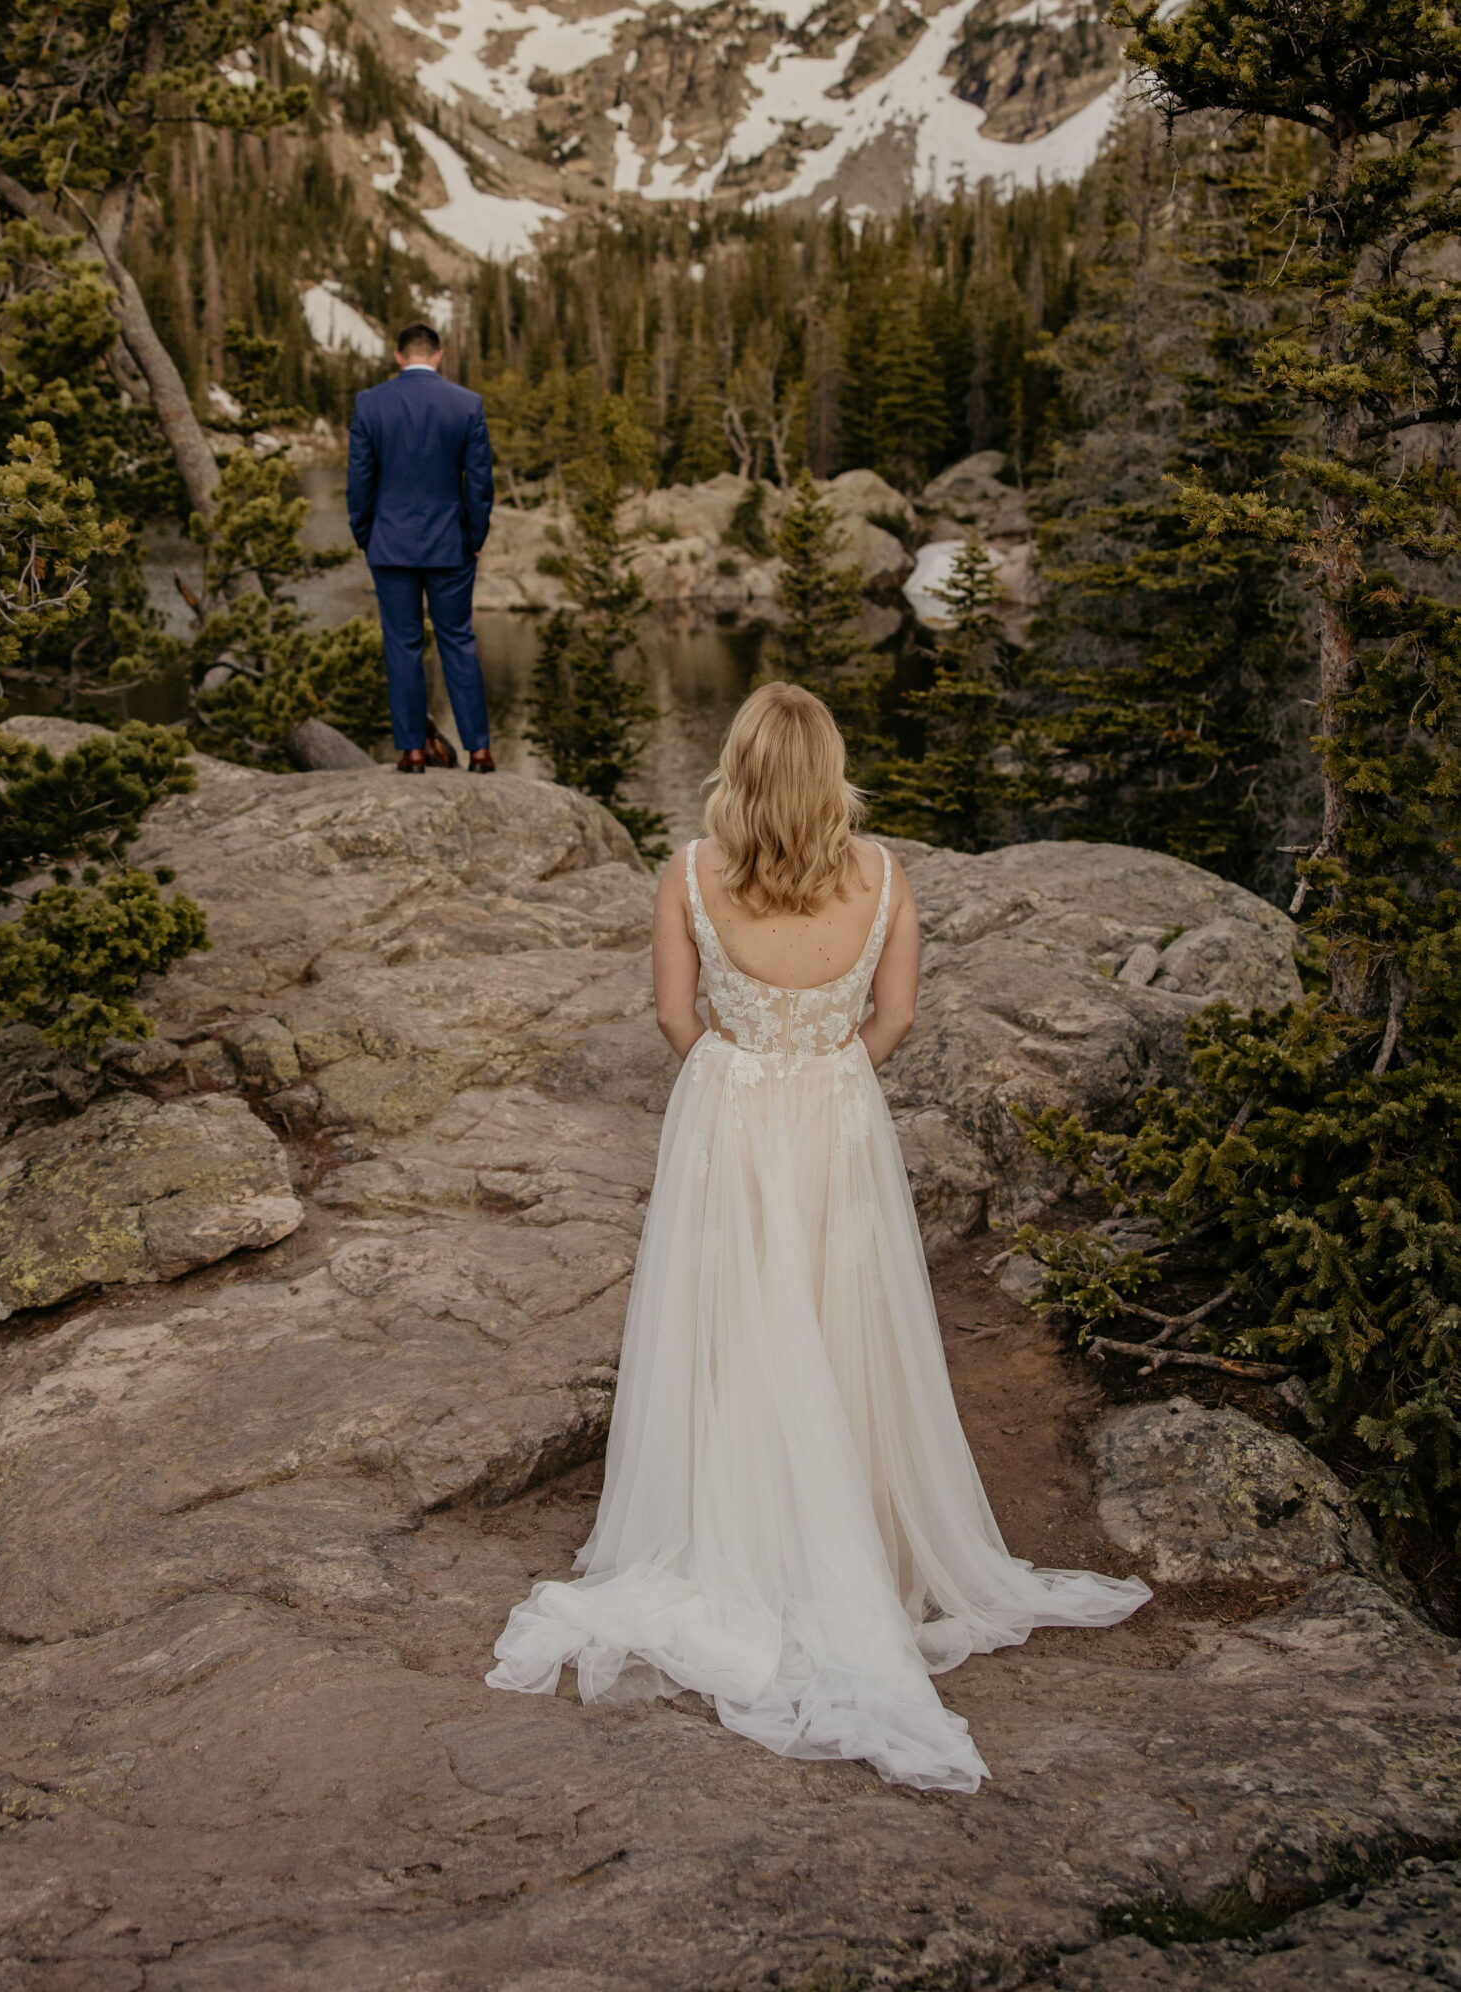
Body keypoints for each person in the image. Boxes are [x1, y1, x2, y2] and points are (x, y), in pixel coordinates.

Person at [487, 683, 1148, 1790]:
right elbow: (893, 1017)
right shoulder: (883, 878)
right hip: (836, 1118)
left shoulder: (692, 873)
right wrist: (827, 1071)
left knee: (737, 1315)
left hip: (731, 1116)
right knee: (839, 1310)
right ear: (830, 770)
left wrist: (739, 1072)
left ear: (739, 769)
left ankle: (738, 1534)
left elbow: (671, 1015)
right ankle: (865, 1545)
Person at [347, 321, 496, 774]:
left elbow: (359, 482)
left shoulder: (371, 404)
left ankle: (412, 751)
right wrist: (472, 538)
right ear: (438, 355)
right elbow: (480, 484)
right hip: (449, 546)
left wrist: (365, 535)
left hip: (390, 546)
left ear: (398, 357)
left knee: (402, 646)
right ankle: (480, 751)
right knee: (458, 642)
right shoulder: (466, 404)